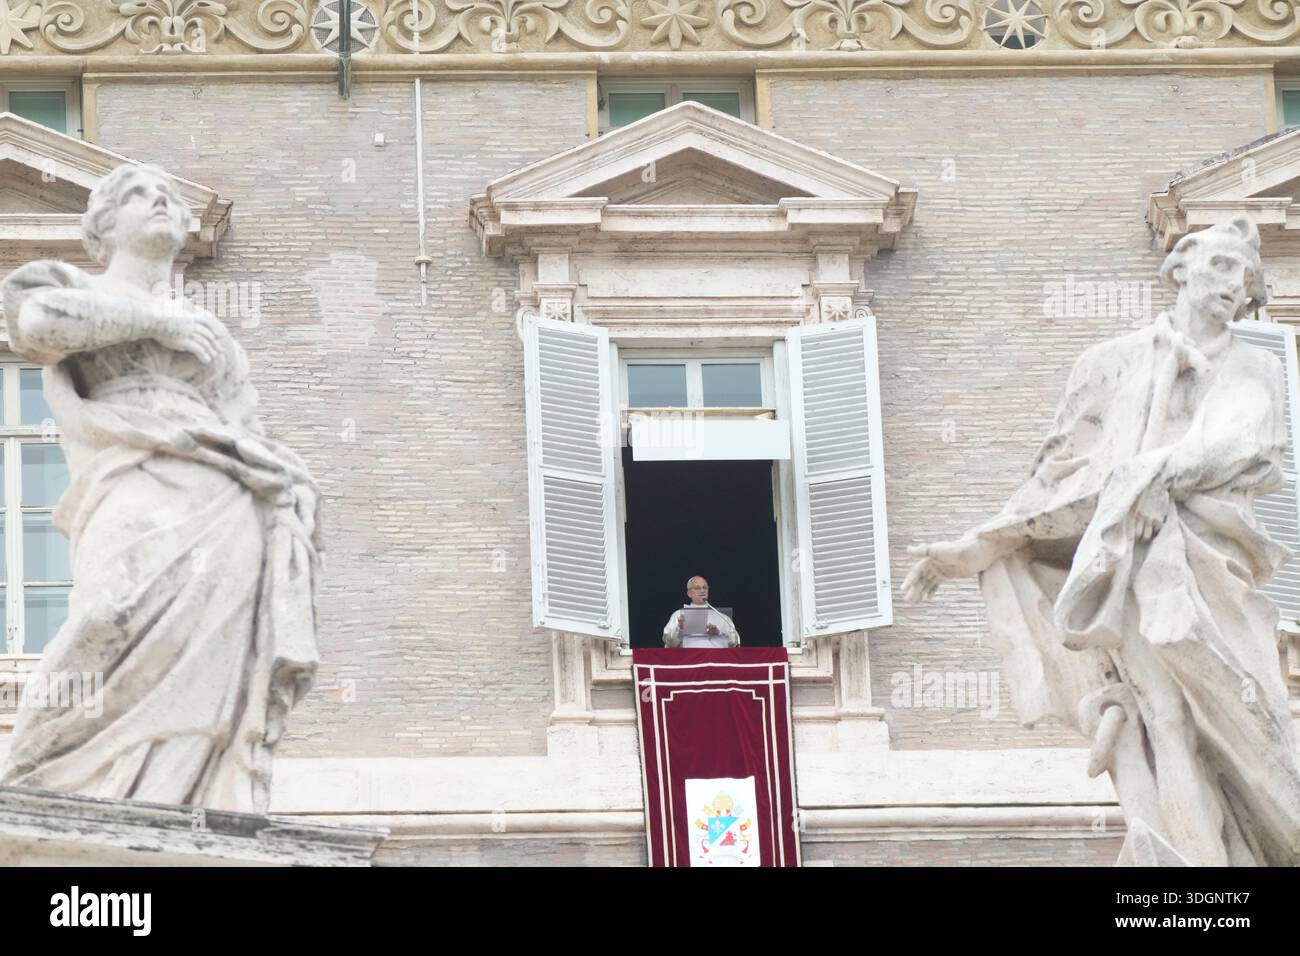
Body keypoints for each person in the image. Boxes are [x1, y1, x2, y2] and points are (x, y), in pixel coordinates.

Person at [903, 216, 1300, 866]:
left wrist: (1151, 474)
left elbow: (1237, 438)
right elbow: (1058, 481)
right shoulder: (1109, 366)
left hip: (1212, 571)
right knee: (1164, 720)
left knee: (1255, 728)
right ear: (1181, 268)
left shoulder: (1252, 365)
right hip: (1132, 571)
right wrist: (978, 545)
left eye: (1248, 277)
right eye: (1224, 266)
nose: (1237, 284)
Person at [0, 163, 321, 814]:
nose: (160, 201)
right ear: (102, 227)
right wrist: (153, 323)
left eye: (171, 196)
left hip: (227, 501)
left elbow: (242, 423)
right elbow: (35, 321)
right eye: (140, 195)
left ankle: (192, 794)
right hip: (129, 480)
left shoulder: (216, 335)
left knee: (217, 662)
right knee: (106, 617)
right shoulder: (72, 285)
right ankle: (40, 780)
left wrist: (289, 484)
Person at [663, 575, 740, 648]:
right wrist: (680, 630)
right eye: (697, 588)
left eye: (705, 587)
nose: (702, 590)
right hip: (688, 659)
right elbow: (669, 643)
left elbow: (734, 643)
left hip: (716, 659)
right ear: (689, 593)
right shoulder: (678, 615)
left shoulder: (721, 617)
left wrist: (718, 633)